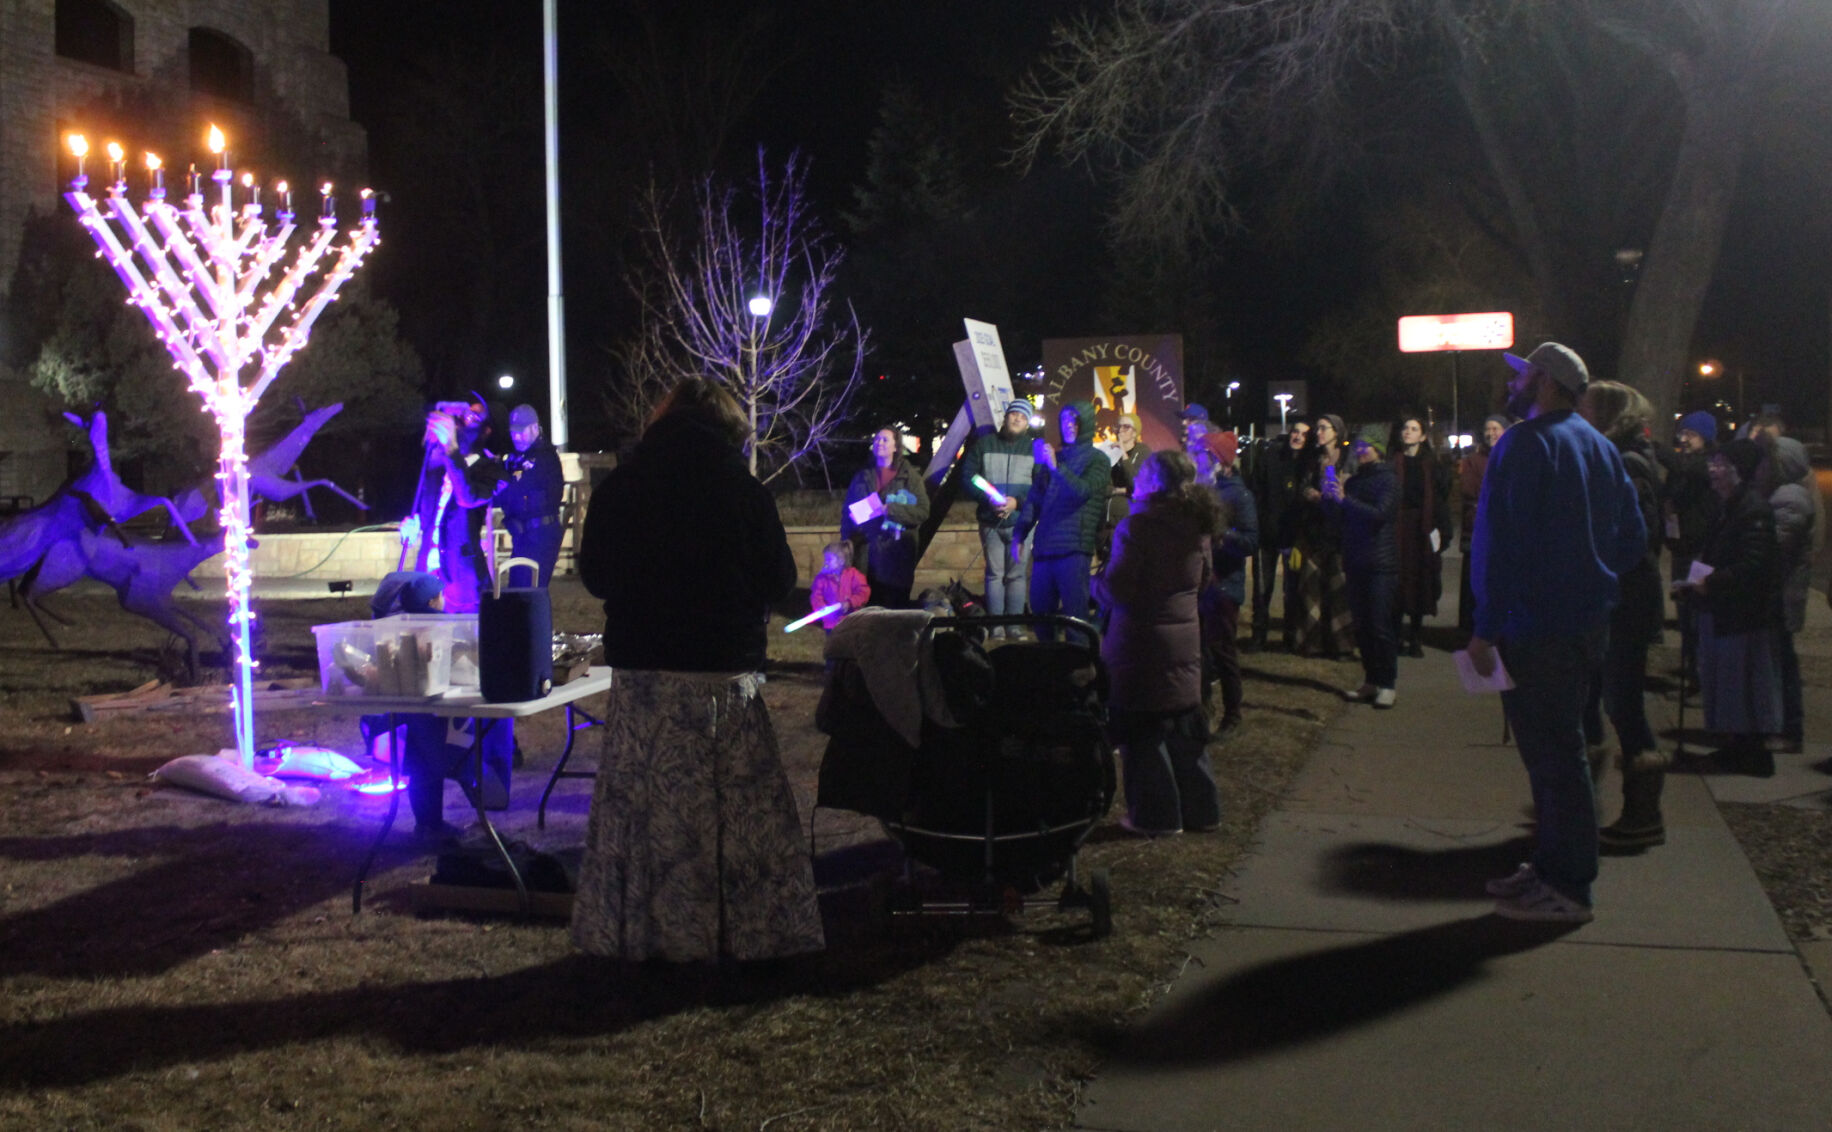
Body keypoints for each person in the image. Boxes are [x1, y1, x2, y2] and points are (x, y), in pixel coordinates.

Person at [573, 377, 821, 963]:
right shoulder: (741, 489)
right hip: (720, 674)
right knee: (733, 814)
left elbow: (597, 576)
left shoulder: (624, 486)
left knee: (648, 814)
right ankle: (742, 934)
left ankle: (646, 934)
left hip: (646, 676)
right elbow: (778, 580)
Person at [1471, 342, 1645, 923]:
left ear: (1545, 383)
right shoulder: (1599, 446)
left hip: (1535, 627)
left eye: (1526, 377)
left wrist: (1486, 627)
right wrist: (1592, 580)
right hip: (1584, 624)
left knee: (1554, 757)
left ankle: (1569, 886)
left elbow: (1505, 544)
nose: (1515, 385)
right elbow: (1632, 540)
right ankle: (1552, 867)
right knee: (1562, 752)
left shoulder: (1527, 443)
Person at [1094, 449, 1227, 837]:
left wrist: (1095, 584)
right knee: (1184, 726)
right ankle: (1203, 811)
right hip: (1185, 639)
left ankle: (1156, 816)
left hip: (1141, 643)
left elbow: (1117, 589)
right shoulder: (1198, 526)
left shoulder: (1138, 527)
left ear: (1153, 482)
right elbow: (1202, 583)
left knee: (1143, 731)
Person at [1578, 382, 1668, 850]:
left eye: (1586, 407)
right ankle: (1585, 805)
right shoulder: (1621, 457)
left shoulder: (1626, 462)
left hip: (1625, 602)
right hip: (1618, 597)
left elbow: (1635, 539)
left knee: (1622, 702)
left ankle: (1643, 814)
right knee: (1599, 696)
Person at [363, 570, 512, 839]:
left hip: (412, 727)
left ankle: (428, 824)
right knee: (473, 756)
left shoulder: (394, 632)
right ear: (433, 601)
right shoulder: (451, 628)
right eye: (441, 595)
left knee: (422, 768)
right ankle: (485, 816)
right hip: (455, 723)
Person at [1682, 439, 1784, 777]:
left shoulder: (1751, 509)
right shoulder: (1727, 506)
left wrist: (1713, 582)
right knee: (1727, 685)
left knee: (1741, 685)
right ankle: (1735, 747)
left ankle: (1749, 753)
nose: (1714, 469)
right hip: (1723, 610)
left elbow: (1755, 565)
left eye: (1722, 463)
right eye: (1712, 462)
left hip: (1741, 615)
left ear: (1739, 470)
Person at [1014, 400, 1112, 638]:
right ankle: (1049, 668)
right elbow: (1035, 499)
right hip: (1045, 548)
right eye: (1065, 420)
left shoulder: (1098, 460)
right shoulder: (1054, 459)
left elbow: (1081, 492)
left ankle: (1078, 669)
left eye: (1075, 420)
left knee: (1074, 619)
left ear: (1086, 423)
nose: (1069, 425)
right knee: (1041, 615)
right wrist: (1020, 533)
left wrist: (1057, 468)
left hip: (1074, 549)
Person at [1327, 430, 1399, 708]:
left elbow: (1381, 514)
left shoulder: (1389, 480)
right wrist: (1331, 498)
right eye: (1357, 446)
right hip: (1355, 560)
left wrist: (1346, 499)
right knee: (1363, 625)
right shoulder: (1355, 481)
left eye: (1366, 446)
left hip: (1381, 563)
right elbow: (1342, 516)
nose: (1360, 451)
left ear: (1379, 450)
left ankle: (1388, 683)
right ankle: (1371, 679)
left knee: (1380, 625)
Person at [1195, 431, 1259, 735]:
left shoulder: (1240, 495)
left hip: (1224, 585)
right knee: (1200, 652)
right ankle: (1202, 710)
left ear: (1222, 461)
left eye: (1208, 455)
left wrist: (1221, 536)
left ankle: (1233, 714)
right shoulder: (1206, 490)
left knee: (1222, 652)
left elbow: (1250, 541)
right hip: (1203, 584)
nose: (1202, 460)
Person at [958, 401, 1036, 634]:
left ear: (1027, 422)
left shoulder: (1034, 449)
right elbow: (969, 476)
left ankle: (1013, 627)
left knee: (1017, 575)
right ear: (1006, 417)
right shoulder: (984, 445)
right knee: (994, 574)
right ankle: (996, 628)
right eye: (1014, 414)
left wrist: (1016, 502)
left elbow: (1042, 484)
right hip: (990, 521)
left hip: (1022, 523)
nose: (1017, 419)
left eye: (1023, 416)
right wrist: (989, 498)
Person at [841, 426, 931, 610]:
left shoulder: (910, 478)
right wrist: (846, 542)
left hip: (895, 553)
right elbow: (847, 513)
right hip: (865, 552)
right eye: (876, 439)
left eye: (884, 439)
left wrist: (890, 509)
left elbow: (922, 511)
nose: (879, 443)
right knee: (866, 607)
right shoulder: (862, 476)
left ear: (896, 446)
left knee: (892, 608)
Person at [1765, 436, 1815, 753]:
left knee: (1783, 664)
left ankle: (1790, 729)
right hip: (1779, 593)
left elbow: (1775, 548)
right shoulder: (1783, 495)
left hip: (1782, 595)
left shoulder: (1789, 499)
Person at [1292, 414, 1355, 658]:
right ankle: (1312, 642)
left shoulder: (1348, 460)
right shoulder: (1312, 460)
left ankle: (1342, 644)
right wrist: (1312, 494)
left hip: (1340, 531)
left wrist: (1343, 491)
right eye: (1317, 428)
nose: (1318, 432)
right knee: (1312, 588)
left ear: (1336, 432)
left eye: (1323, 428)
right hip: (1315, 531)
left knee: (1339, 589)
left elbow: (1355, 488)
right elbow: (1302, 487)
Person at [1388, 415, 1451, 657]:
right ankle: (1394, 637)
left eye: (1414, 429)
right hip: (1398, 528)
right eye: (1405, 428)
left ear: (1423, 436)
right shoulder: (1393, 462)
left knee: (1420, 581)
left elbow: (1439, 501)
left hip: (1421, 529)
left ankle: (1415, 637)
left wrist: (1442, 531)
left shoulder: (1431, 466)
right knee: (1397, 582)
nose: (1408, 432)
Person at [1663, 411, 1720, 676]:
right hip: (1681, 548)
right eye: (1683, 433)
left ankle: (1702, 666)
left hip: (1702, 550)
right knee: (1683, 609)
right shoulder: (1683, 466)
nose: (1685, 439)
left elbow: (1687, 470)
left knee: (1699, 609)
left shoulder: (1709, 464)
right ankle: (1689, 662)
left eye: (1692, 434)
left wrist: (1656, 449)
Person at [1250, 420, 1308, 651]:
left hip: (1294, 537)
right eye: (1295, 431)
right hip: (1268, 534)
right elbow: (1257, 490)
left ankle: (1290, 636)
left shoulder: (1308, 463)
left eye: (1304, 434)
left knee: (1292, 589)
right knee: (1262, 588)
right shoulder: (1271, 456)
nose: (1298, 437)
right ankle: (1258, 634)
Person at [497, 404, 566, 586]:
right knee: (518, 590)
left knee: (531, 591)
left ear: (535, 427)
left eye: (521, 431)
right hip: (522, 535)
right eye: (513, 432)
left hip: (540, 535)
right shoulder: (516, 457)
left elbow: (517, 488)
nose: (516, 436)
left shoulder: (544, 457)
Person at [1457, 416, 1509, 634]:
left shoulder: (1512, 457)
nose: (1491, 433)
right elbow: (1469, 488)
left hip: (1504, 533)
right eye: (1487, 429)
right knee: (1474, 581)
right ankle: (1470, 629)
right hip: (1476, 530)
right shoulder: (1472, 460)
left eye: (1495, 428)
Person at [810, 540, 870, 633]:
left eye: (829, 560)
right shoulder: (822, 578)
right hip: (831, 624)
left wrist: (850, 602)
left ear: (841, 561)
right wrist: (820, 607)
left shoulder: (854, 575)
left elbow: (863, 592)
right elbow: (816, 595)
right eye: (825, 559)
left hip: (851, 622)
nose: (826, 563)